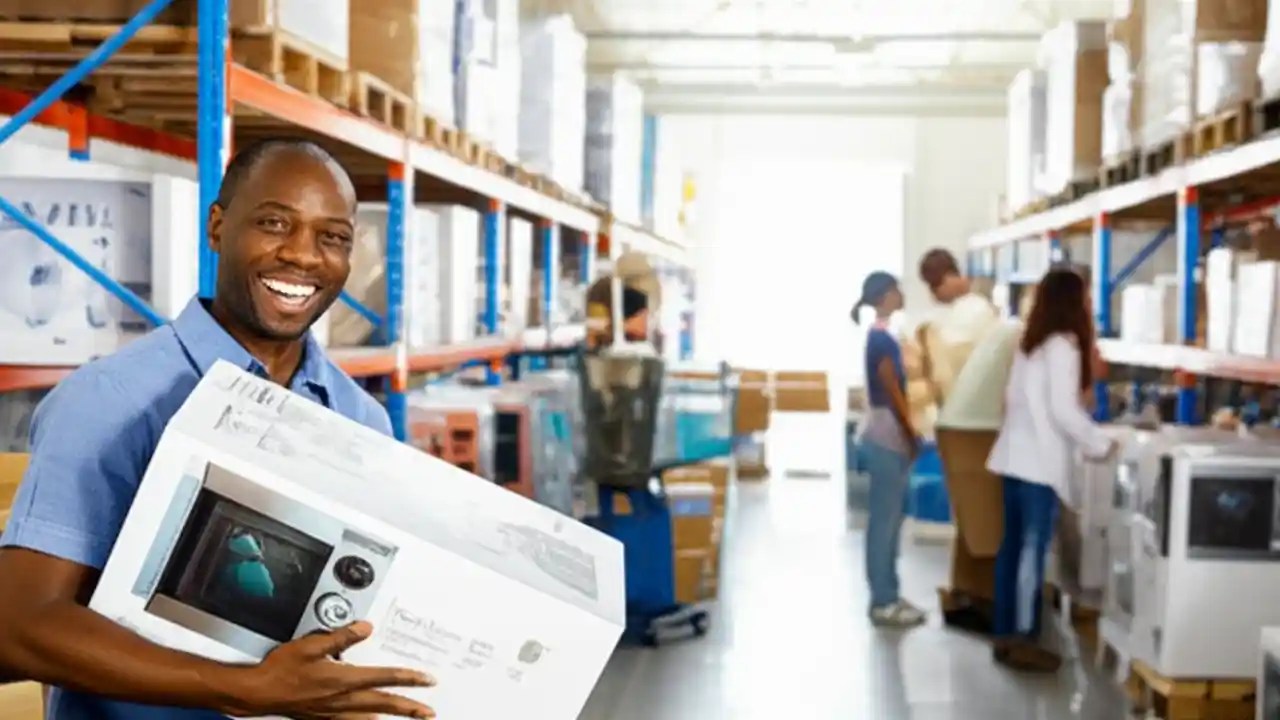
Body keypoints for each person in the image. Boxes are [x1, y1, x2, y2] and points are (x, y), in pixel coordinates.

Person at [0, 139, 437, 719]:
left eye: (332, 237)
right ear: (217, 227)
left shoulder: (360, 420)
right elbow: (18, 626)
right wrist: (245, 688)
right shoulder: (112, 401)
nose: (304, 256)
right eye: (275, 223)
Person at [986, 267, 1116, 672]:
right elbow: (1063, 410)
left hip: (1013, 459)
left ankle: (1005, 632)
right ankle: (1025, 637)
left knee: (1011, 549)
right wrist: (1102, 442)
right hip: (1039, 466)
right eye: (1086, 297)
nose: (1090, 305)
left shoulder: (1031, 344)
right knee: (1031, 552)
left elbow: (1013, 401)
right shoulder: (1064, 344)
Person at [916, 248, 1008, 633]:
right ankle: (975, 592)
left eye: (937, 285)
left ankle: (975, 591)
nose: (935, 294)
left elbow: (956, 359)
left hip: (976, 426)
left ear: (953, 276)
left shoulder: (977, 312)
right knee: (979, 518)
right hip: (975, 425)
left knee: (977, 519)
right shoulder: (964, 314)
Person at [853, 272, 926, 628]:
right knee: (884, 522)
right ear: (884, 296)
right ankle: (883, 600)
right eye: (897, 289)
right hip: (886, 435)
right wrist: (910, 432)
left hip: (884, 432)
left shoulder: (884, 335)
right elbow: (892, 389)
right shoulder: (881, 339)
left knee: (890, 519)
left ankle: (889, 594)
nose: (902, 294)